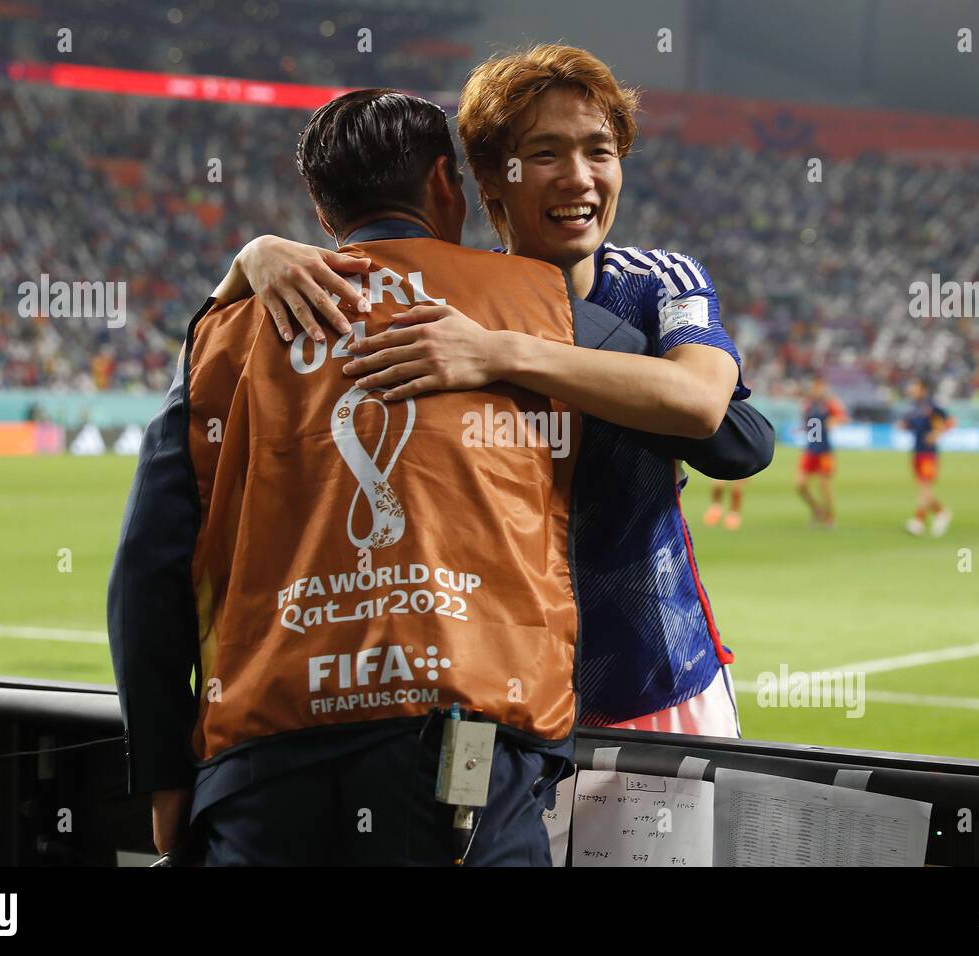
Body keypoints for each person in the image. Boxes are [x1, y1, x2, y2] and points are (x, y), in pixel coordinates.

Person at [109, 89, 768, 867]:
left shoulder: (226, 333)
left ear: (322, 215)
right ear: (449, 184)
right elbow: (731, 434)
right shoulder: (532, 304)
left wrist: (163, 784)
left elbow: (147, 574)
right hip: (474, 750)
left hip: (263, 761)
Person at [221, 44, 772, 738]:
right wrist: (255, 256)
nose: (580, 178)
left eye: (600, 152)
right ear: (487, 176)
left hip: (656, 681)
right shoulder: (448, 299)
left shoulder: (659, 280)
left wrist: (501, 351)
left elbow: (704, 408)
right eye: (545, 154)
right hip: (497, 700)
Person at [896, 380, 954, 537]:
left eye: (913, 386)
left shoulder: (931, 406)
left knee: (924, 488)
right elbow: (910, 424)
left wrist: (936, 434)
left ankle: (918, 521)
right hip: (917, 452)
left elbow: (949, 422)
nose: (910, 388)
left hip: (928, 453)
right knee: (923, 489)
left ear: (922, 389)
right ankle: (941, 513)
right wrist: (903, 426)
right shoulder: (914, 407)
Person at [796, 375, 847, 529]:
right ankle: (817, 510)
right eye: (814, 387)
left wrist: (834, 421)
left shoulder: (829, 403)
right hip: (811, 449)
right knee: (800, 485)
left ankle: (830, 517)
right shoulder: (808, 404)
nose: (816, 390)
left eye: (819, 387)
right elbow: (807, 424)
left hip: (824, 451)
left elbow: (842, 417)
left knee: (824, 486)